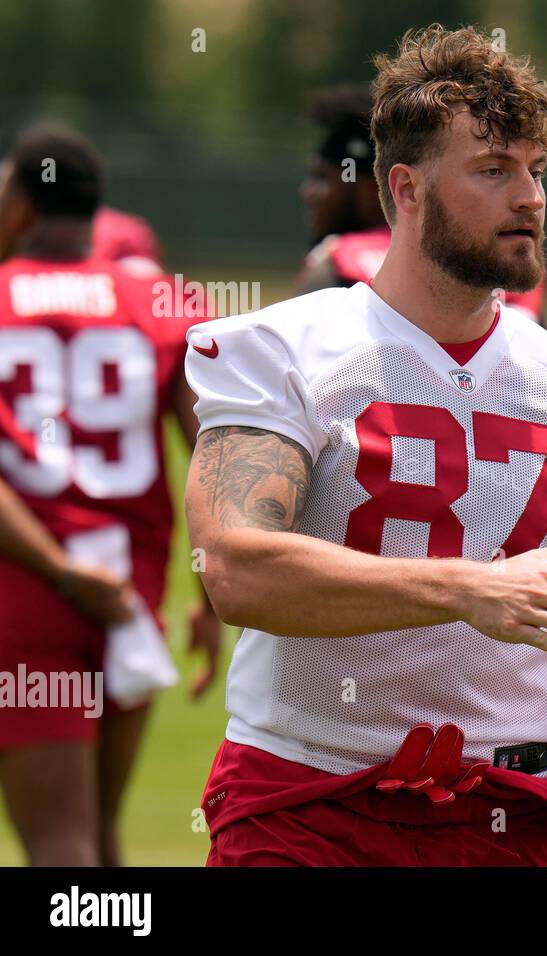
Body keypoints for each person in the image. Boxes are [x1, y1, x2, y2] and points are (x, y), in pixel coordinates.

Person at [186, 24, 547, 867]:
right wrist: (465, 589)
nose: (529, 197)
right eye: (493, 170)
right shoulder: (284, 349)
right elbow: (237, 568)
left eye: (537, 170)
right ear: (406, 188)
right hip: (307, 802)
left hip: (502, 815)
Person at [0, 125, 221, 866]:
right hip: (132, 590)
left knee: (60, 842)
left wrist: (60, 572)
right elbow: (217, 454)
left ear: (21, 206)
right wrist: (215, 592)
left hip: (28, 586)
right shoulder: (161, 299)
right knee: (99, 835)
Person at [295, 83, 547, 325]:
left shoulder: (339, 262)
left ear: (382, 185)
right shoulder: (499, 261)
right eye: (493, 171)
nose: (308, 192)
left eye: (322, 178)